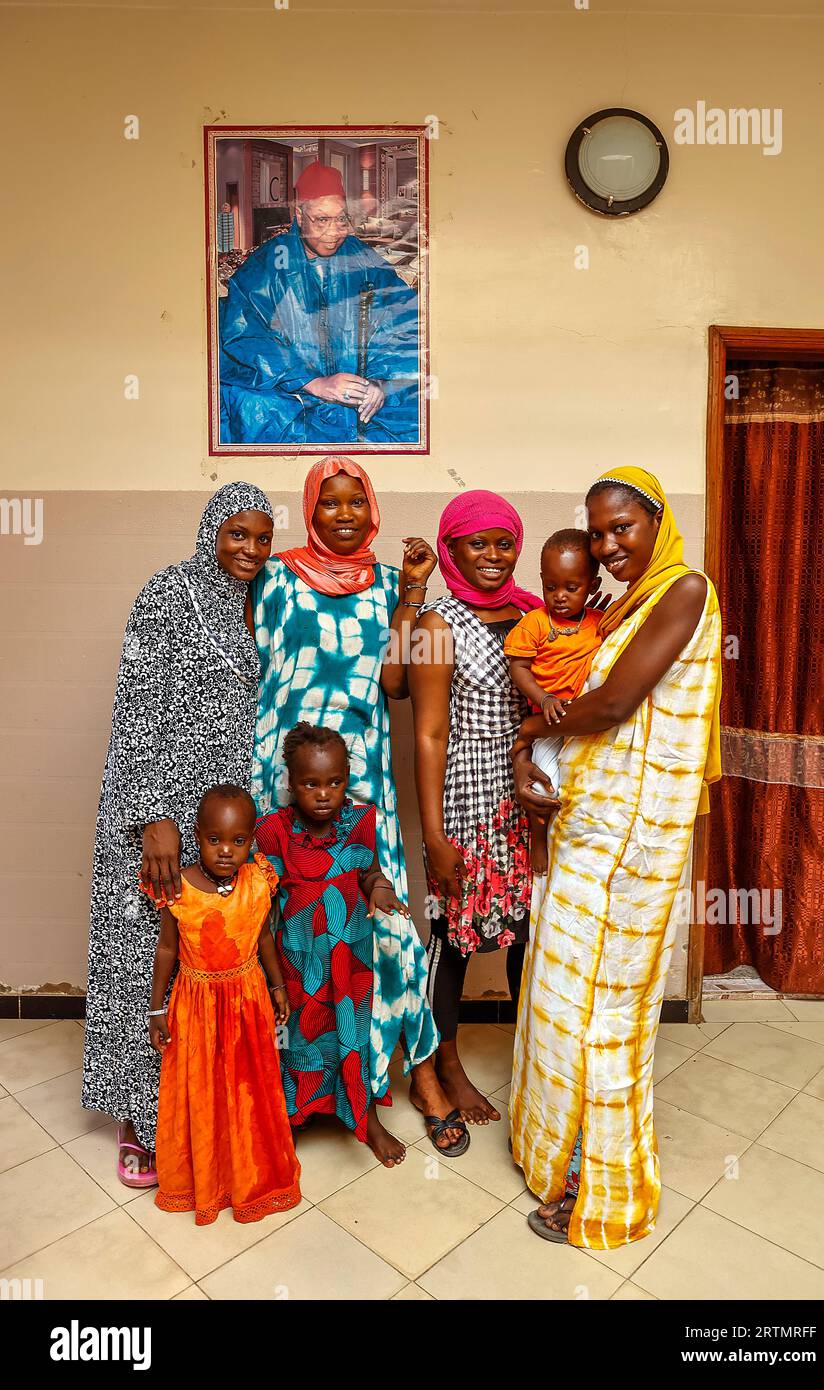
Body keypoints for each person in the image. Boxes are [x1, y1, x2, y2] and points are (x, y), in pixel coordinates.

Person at [509, 467, 722, 1249]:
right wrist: (540, 756)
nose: (607, 546)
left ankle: (604, 1190)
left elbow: (614, 703)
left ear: (657, 523)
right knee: (563, 996)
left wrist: (528, 736)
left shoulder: (685, 590)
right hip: (585, 831)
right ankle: (556, 1160)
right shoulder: (618, 608)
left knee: (608, 1016)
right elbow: (570, 693)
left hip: (633, 847)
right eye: (596, 533)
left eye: (621, 528)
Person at [251, 457, 466, 1155]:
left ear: (369, 510)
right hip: (280, 778)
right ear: (308, 512)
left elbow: (398, 684)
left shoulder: (387, 587)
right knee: (283, 927)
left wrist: (410, 593)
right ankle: (284, 1086)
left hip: (361, 776)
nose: (341, 515)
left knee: (386, 923)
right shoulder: (276, 574)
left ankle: (419, 1074)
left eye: (354, 503)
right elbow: (246, 666)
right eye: (327, 504)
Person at [81, 482, 275, 1187]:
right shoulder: (168, 592)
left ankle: (188, 1105)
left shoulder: (240, 603)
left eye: (261, 537)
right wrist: (153, 817)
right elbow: (136, 703)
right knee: (143, 954)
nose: (250, 550)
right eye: (237, 534)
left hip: (215, 813)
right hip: (158, 813)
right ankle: (138, 1117)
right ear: (209, 532)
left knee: (196, 958)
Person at [256, 724, 468, 1164]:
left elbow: (368, 871)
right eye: (310, 784)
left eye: (334, 782)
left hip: (349, 960)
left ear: (347, 777)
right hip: (299, 964)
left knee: (352, 1039)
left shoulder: (359, 822)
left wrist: (381, 888)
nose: (324, 794)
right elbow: (259, 897)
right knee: (298, 1040)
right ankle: (293, 1116)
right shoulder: (273, 830)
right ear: (290, 783)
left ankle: (364, 1118)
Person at [409, 490, 542, 1126]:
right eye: (477, 543)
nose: (493, 555)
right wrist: (434, 833)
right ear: (451, 549)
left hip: (529, 804)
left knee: (526, 937)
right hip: (467, 801)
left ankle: (538, 1065)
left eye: (504, 542)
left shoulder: (535, 615)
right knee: (453, 942)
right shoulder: (437, 625)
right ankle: (444, 1066)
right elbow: (429, 732)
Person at [144, 785, 301, 1225]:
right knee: (203, 1090)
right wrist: (156, 1010)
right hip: (195, 1006)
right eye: (215, 840)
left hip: (248, 1002)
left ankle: (246, 1175)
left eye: (238, 841)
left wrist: (277, 987)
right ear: (197, 836)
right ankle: (207, 1179)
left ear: (252, 839)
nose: (227, 851)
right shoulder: (179, 889)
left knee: (247, 1090)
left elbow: (264, 937)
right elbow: (166, 952)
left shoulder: (258, 882)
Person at [219, 161, 420, 446]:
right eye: (321, 220)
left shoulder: (361, 258)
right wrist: (315, 383)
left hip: (361, 393)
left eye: (341, 219)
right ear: (299, 215)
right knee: (253, 410)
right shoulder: (268, 265)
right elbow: (246, 336)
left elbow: (401, 318)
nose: (334, 232)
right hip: (294, 393)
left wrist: (379, 382)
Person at [503, 529, 603, 875]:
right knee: (542, 786)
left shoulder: (599, 623)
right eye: (551, 587)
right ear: (543, 580)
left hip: (588, 724)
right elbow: (518, 668)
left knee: (587, 792)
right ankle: (538, 835)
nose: (559, 596)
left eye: (571, 588)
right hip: (548, 724)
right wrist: (543, 697)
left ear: (592, 585)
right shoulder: (534, 623)